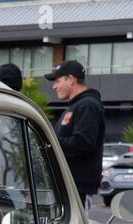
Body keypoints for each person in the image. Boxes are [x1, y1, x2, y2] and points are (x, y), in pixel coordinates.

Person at [46, 59, 105, 209]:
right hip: (67, 186)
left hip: (78, 189)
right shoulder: (76, 106)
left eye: (57, 81)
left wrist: (50, 140)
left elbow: (83, 143)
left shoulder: (88, 105)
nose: (54, 86)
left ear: (71, 79)